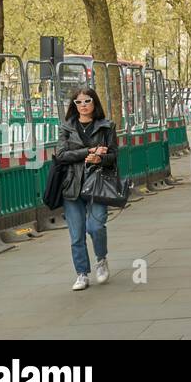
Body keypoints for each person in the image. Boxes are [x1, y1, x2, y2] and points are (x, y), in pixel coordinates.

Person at [54, 87, 118, 291]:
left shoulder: (107, 127)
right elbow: (61, 154)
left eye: (87, 101)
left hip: (99, 185)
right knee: (77, 234)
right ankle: (82, 273)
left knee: (96, 227)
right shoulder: (66, 128)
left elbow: (114, 156)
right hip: (72, 186)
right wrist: (87, 152)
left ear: (94, 103)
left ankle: (101, 259)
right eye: (78, 102)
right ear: (74, 105)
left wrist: (100, 158)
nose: (83, 105)